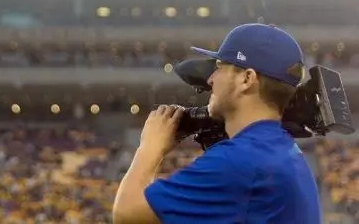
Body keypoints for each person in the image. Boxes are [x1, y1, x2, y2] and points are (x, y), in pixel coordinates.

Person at [112, 23, 322, 224]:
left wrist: (150, 148)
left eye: (220, 67)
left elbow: (127, 214)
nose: (211, 79)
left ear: (247, 79)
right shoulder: (282, 146)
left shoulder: (239, 160)